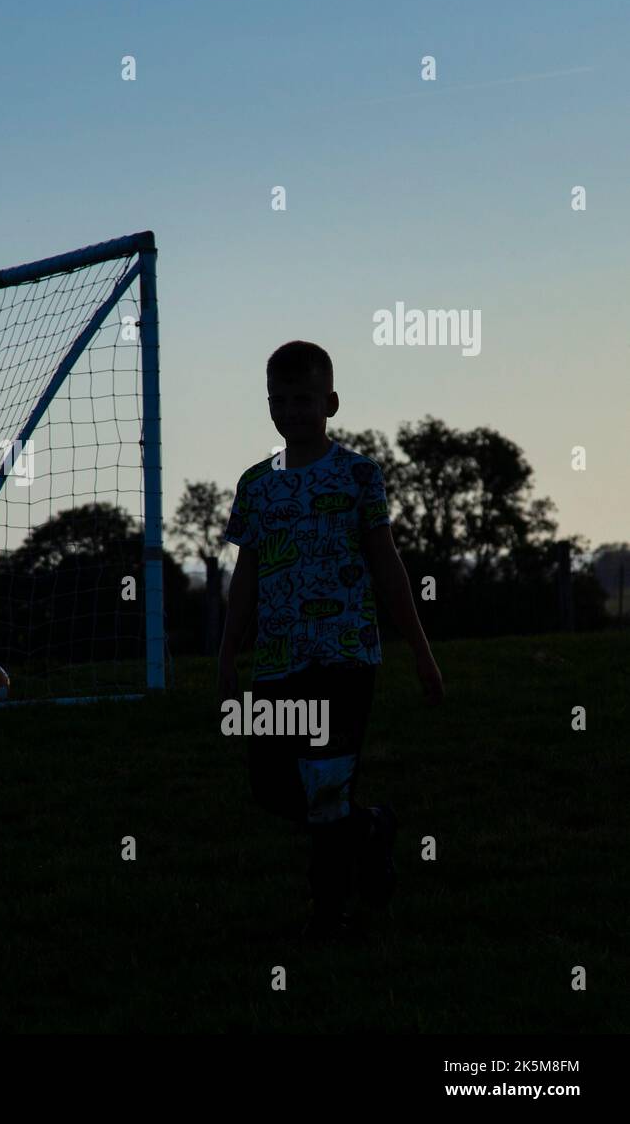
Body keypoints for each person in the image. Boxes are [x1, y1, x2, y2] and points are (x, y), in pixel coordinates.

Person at [218, 340, 444, 939]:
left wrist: (422, 652)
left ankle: (329, 915)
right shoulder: (256, 486)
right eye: (279, 400)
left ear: (331, 402)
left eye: (303, 399)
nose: (290, 411)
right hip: (276, 664)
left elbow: (389, 566)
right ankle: (369, 827)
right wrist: (226, 650)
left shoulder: (359, 476)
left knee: (325, 785)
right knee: (270, 785)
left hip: (345, 658)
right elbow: (246, 575)